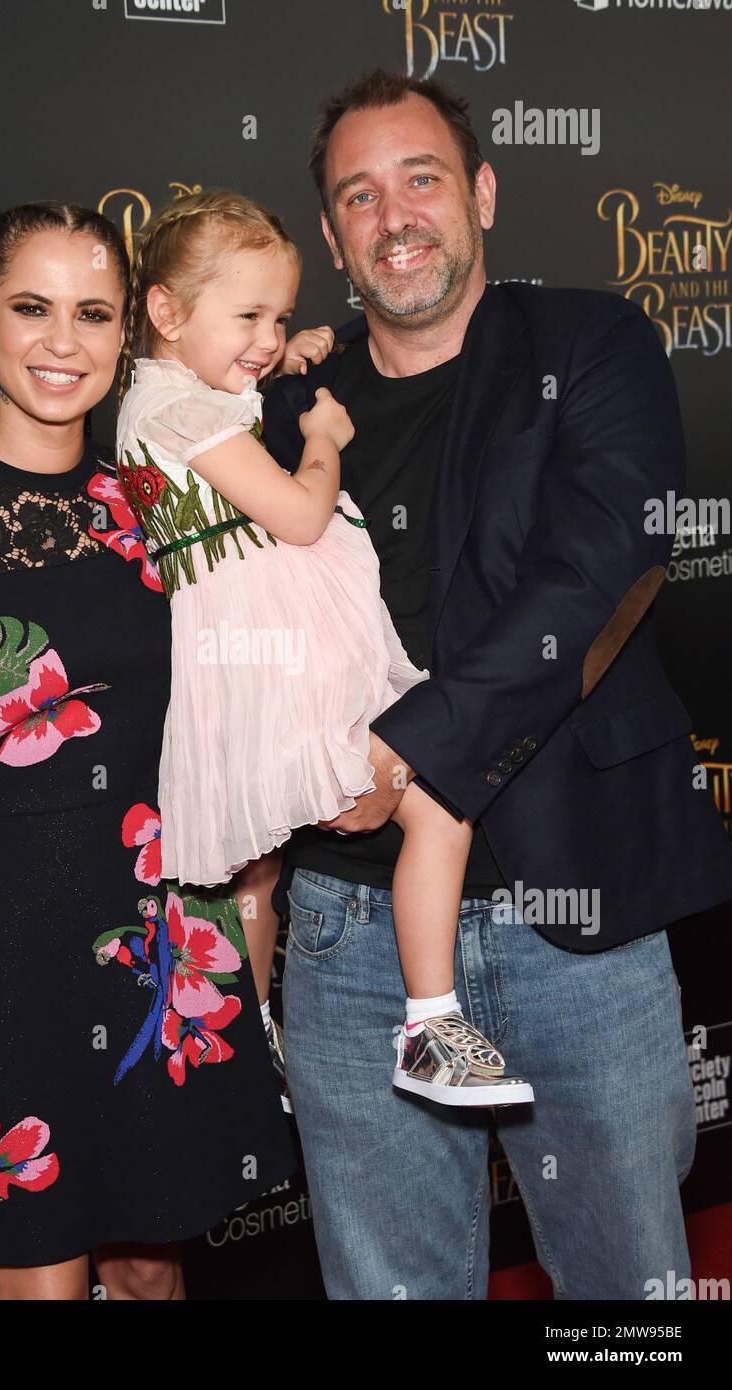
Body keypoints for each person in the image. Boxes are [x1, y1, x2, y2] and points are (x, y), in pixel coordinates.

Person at [261, 68, 732, 1300]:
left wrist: (401, 749)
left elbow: (592, 569)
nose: (393, 213)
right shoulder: (282, 410)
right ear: (329, 235)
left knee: (626, 1289)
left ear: (478, 191)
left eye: (420, 178)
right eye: (358, 195)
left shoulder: (592, 343)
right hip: (349, 932)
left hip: (570, 914)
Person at [0, 201, 295, 1302]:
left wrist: (256, 898)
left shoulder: (160, 500)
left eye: (91, 313)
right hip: (4, 963)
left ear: (127, 331)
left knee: (150, 1276)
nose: (61, 341)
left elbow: (241, 710)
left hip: (164, 947)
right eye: (30, 308)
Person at [113, 188, 534, 1112]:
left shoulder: (170, 397)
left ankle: (255, 1033)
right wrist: (324, 440)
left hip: (247, 651)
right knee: (435, 805)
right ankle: (429, 1024)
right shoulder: (188, 417)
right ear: (167, 312)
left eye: (282, 317)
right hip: (288, 653)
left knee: (260, 859)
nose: (268, 338)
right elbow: (300, 514)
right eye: (248, 316)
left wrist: (279, 364)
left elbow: (230, 409)